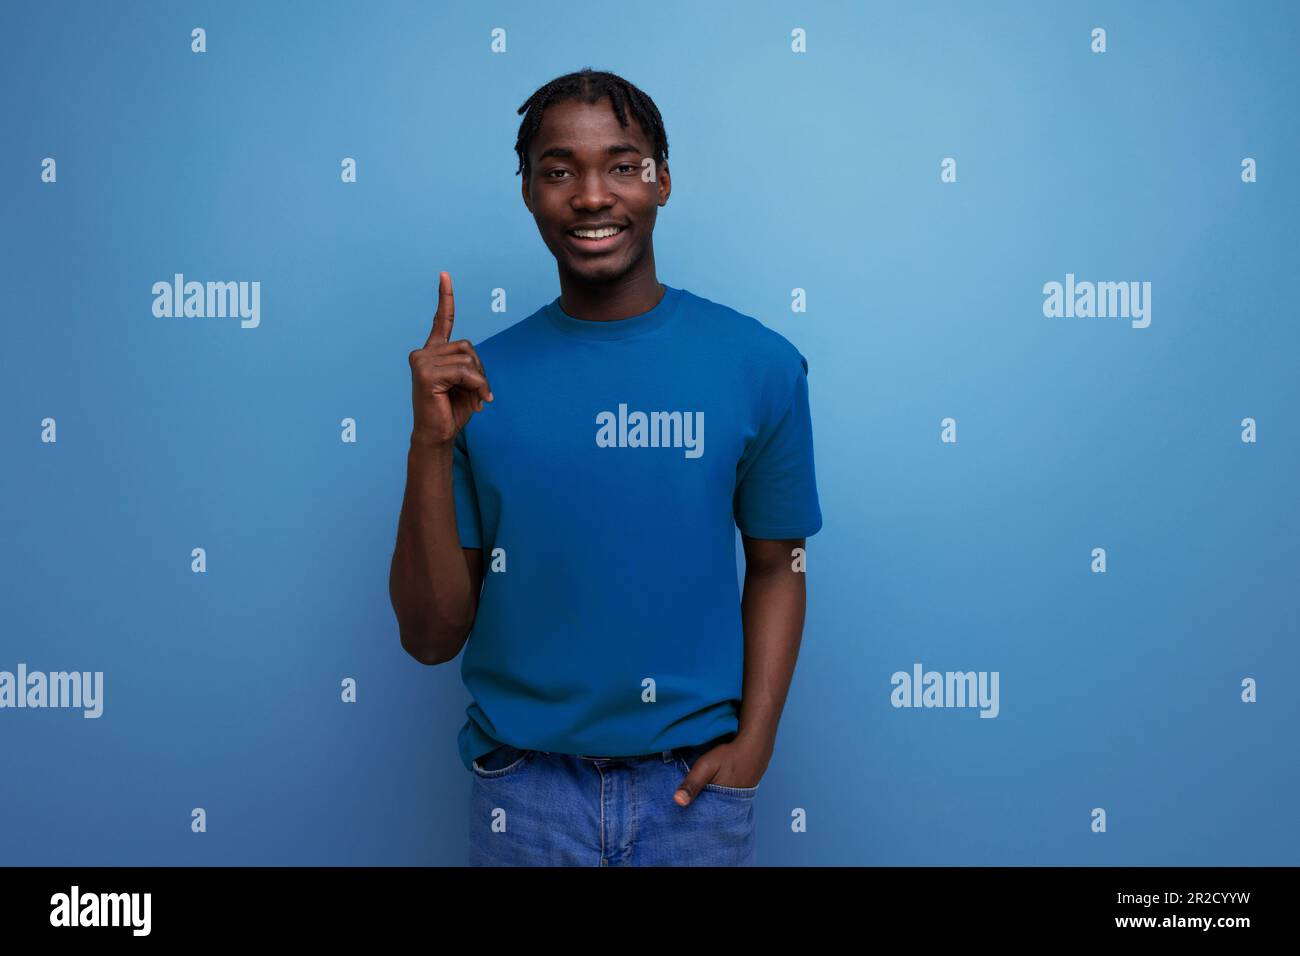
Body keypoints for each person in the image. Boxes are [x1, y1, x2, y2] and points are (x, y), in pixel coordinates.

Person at [389, 68, 822, 866]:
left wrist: (754, 744)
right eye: (559, 170)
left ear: (663, 181)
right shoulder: (477, 384)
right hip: (523, 797)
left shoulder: (758, 365)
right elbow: (429, 636)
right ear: (527, 190)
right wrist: (430, 446)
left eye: (624, 165)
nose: (592, 195)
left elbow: (778, 563)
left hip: (694, 796)